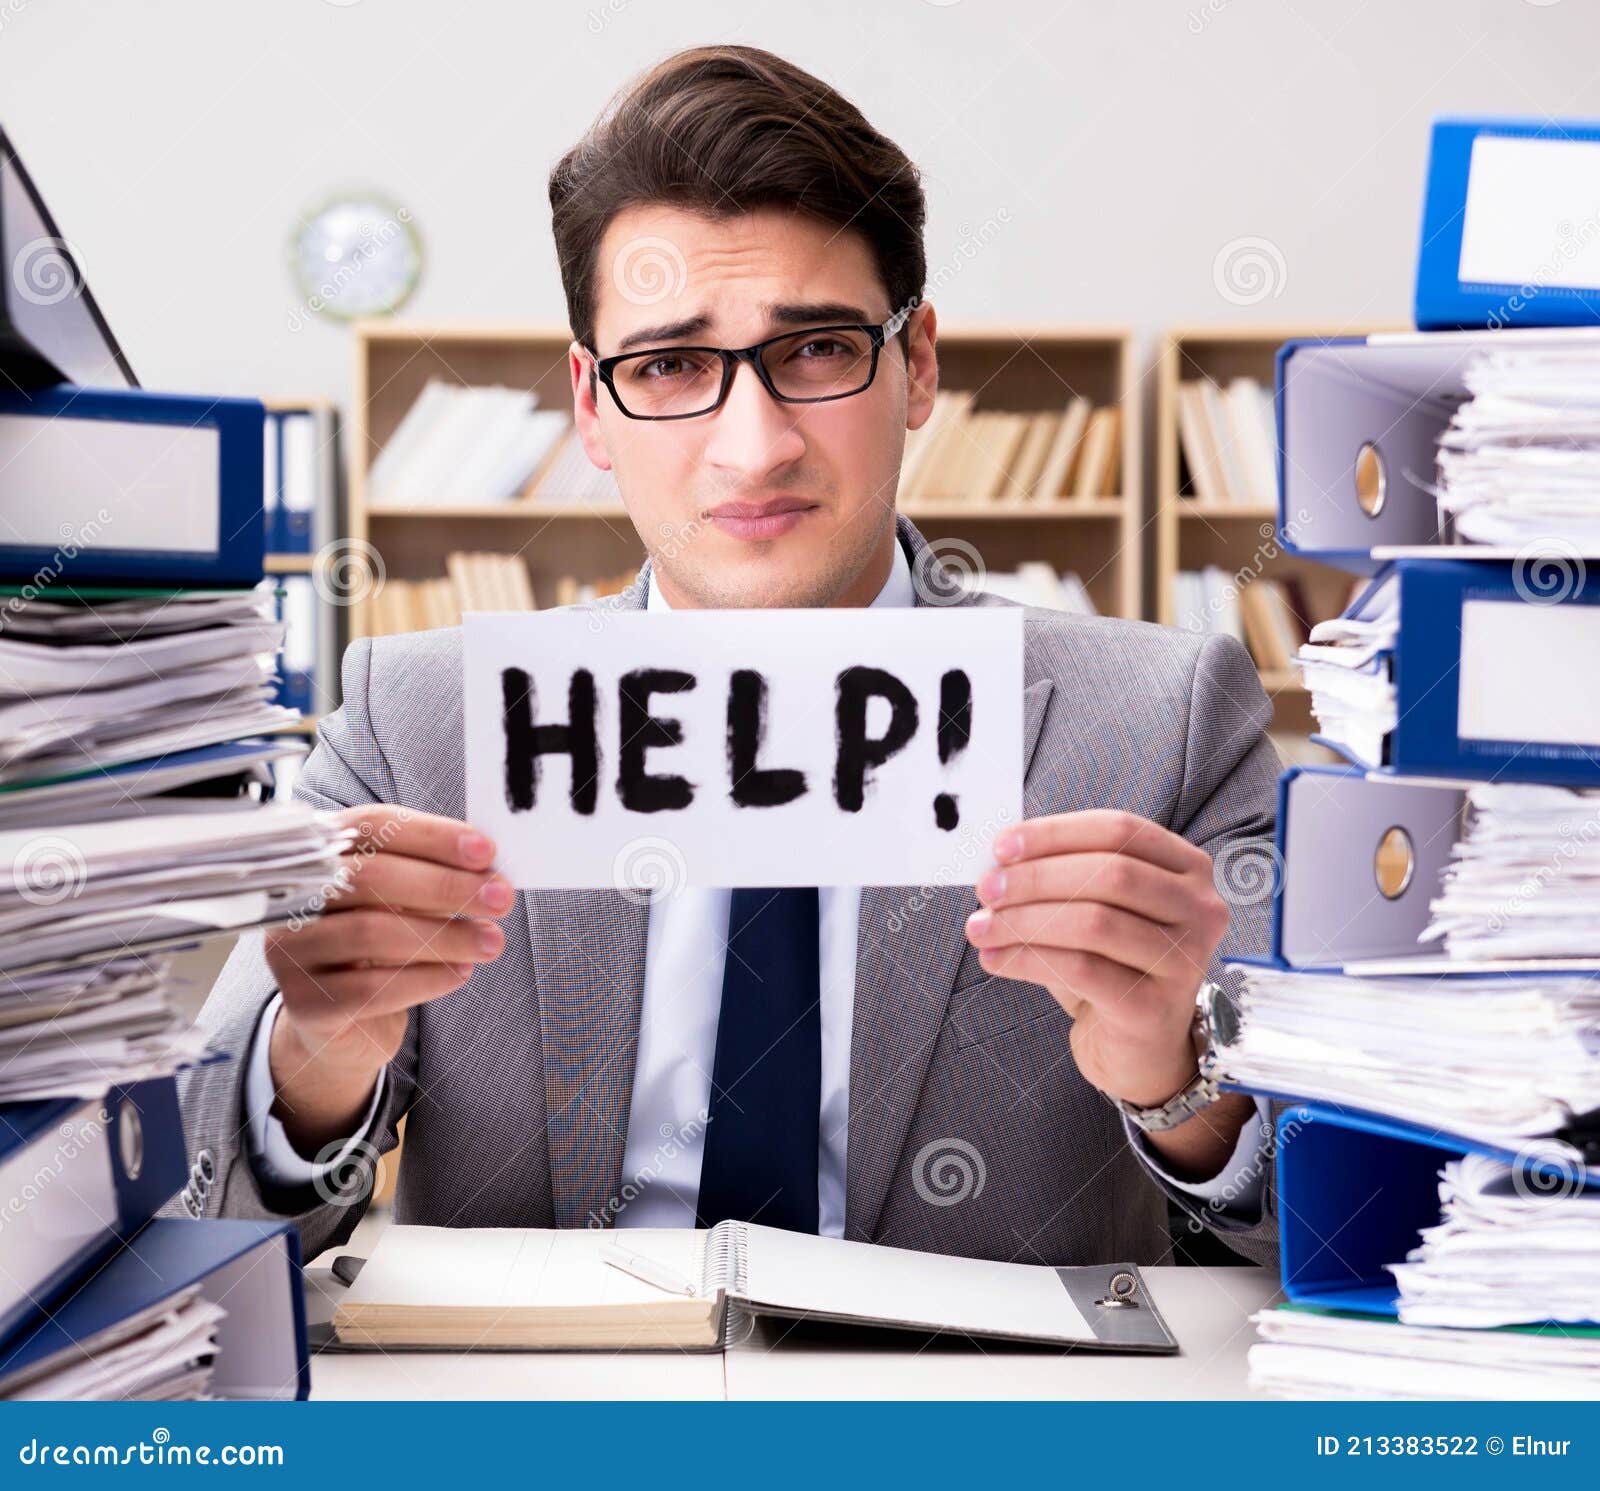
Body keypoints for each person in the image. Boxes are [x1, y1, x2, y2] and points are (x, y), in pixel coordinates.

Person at [172, 44, 1280, 1268]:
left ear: (915, 365)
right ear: (592, 408)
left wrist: (1183, 1078)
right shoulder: (419, 722)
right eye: (670, 366)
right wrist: (316, 1064)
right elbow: (190, 1203)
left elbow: (1352, 1220)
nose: (752, 450)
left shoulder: (1162, 720)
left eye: (813, 351)